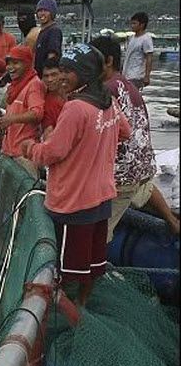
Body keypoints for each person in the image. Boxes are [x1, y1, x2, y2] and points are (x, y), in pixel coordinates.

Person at [21, 44, 131, 306]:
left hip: (73, 202)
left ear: (85, 73)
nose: (61, 77)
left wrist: (31, 148)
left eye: (69, 72)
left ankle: (63, 313)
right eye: (61, 70)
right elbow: (124, 132)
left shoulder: (76, 108)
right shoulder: (108, 101)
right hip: (101, 198)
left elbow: (53, 153)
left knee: (67, 268)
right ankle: (82, 306)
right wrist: (94, 146)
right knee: (90, 266)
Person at [90, 35, 180, 239]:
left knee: (98, 231)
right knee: (144, 187)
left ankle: (96, 262)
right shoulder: (128, 86)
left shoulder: (106, 90)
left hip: (121, 174)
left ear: (108, 61)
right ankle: (172, 220)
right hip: (142, 164)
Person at [0, 45, 44, 178]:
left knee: (26, 195)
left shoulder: (34, 85)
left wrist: (11, 119)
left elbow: (37, 113)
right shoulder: (14, 87)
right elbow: (8, 121)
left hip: (24, 156)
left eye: (16, 63)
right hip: (9, 153)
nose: (10, 67)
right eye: (8, 63)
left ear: (27, 63)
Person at [122, 12, 154, 91]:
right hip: (126, 74)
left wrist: (147, 76)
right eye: (132, 23)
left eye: (134, 23)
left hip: (137, 75)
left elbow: (149, 58)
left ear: (142, 25)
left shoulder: (146, 39)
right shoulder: (131, 38)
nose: (132, 26)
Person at [34, 0, 63, 78]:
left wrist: (47, 76)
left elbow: (52, 56)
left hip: (47, 77)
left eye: (45, 11)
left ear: (52, 13)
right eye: (40, 11)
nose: (42, 13)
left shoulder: (54, 31)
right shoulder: (42, 31)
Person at [39, 58, 67, 139]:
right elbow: (48, 132)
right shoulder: (47, 102)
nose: (49, 80)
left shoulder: (76, 93)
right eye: (46, 76)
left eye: (54, 75)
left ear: (62, 74)